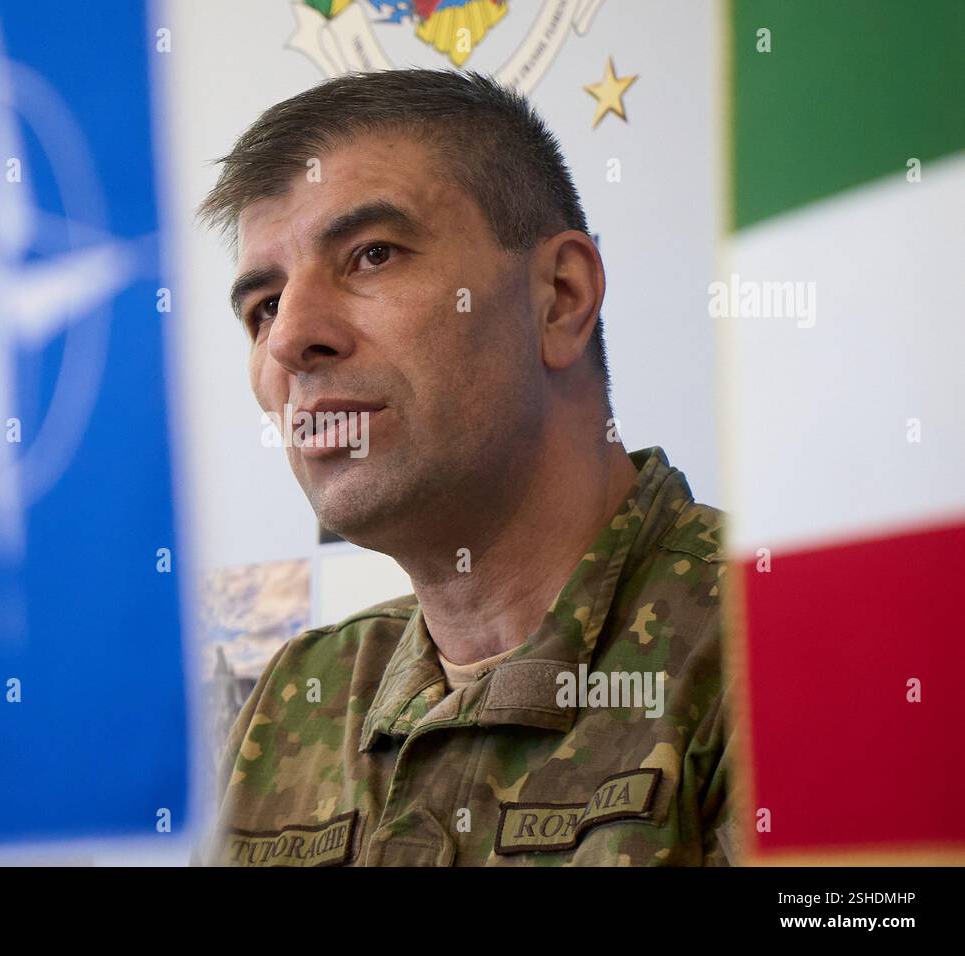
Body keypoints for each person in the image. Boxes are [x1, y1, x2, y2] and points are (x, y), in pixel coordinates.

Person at [195, 69, 735, 866]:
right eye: (263, 306)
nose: (289, 339)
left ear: (559, 296)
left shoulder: (787, 638)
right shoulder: (294, 700)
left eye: (371, 255)